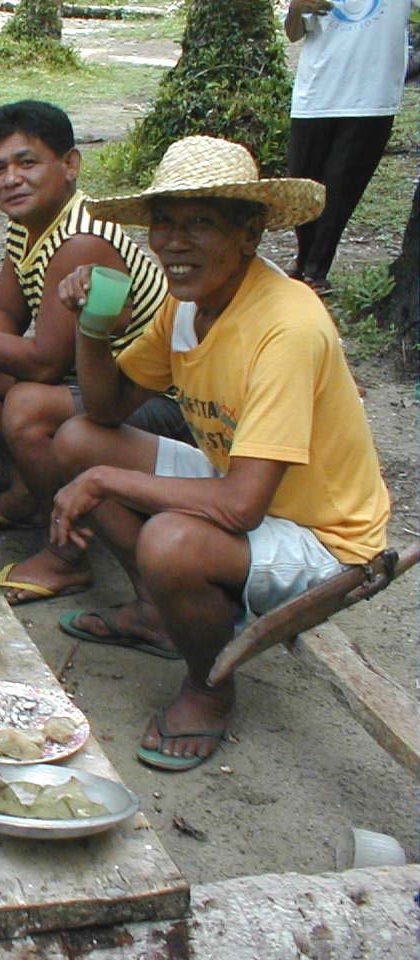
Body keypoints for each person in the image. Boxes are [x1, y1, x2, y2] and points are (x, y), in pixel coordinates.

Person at [48, 136, 389, 771]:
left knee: (171, 541)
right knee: (77, 441)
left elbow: (238, 508)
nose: (173, 243)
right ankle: (159, 614)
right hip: (243, 484)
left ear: (250, 233)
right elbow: (105, 412)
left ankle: (209, 684)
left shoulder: (286, 324)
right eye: (164, 223)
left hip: (325, 536)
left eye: (199, 223)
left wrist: (102, 481)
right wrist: (95, 323)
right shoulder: (189, 303)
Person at [0, 101, 187, 604]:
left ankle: (67, 555)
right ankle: (32, 491)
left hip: (158, 402)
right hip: (98, 380)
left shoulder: (80, 239)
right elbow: (5, 316)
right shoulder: (30, 226)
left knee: (28, 404)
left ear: (69, 165)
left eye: (27, 163)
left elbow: (45, 362)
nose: (11, 179)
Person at [284, 0, 410, 296]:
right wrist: (294, 9)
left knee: (342, 185)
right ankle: (304, 256)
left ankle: (316, 268)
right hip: (315, 93)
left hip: (372, 95)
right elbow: (293, 33)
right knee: (302, 180)